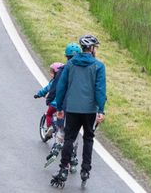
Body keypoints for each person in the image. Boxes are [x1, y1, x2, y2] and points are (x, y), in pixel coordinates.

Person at [50, 34, 107, 188]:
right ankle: (85, 170)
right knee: (88, 138)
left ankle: (63, 169)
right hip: (90, 110)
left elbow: (62, 87)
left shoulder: (70, 65)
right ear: (93, 48)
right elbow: (100, 90)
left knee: (69, 138)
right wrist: (101, 110)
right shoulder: (99, 66)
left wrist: (60, 107)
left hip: (73, 108)